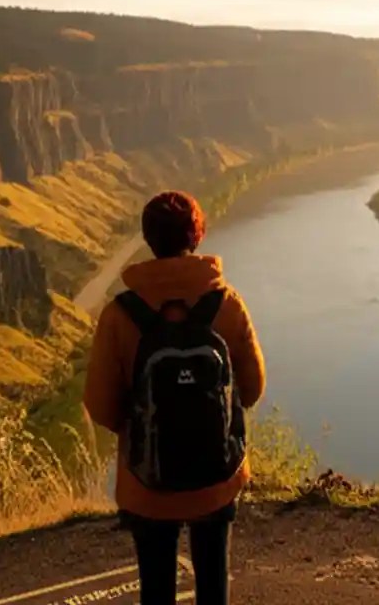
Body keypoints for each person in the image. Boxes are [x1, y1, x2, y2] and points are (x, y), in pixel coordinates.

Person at [84, 190, 265, 605]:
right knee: (213, 582)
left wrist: (143, 425)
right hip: (216, 475)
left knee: (156, 587)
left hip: (147, 480)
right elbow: (251, 389)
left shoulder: (119, 314)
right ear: (196, 235)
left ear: (149, 238)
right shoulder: (227, 304)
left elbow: (100, 404)